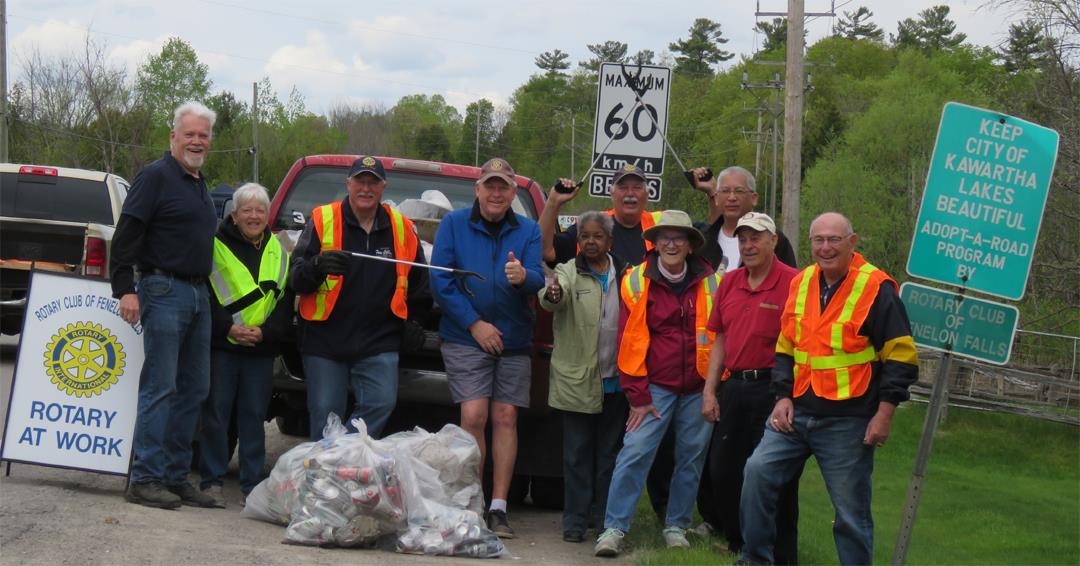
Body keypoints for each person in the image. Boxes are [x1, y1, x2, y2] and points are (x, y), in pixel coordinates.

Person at [740, 212, 919, 565]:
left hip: (848, 420)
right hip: (796, 414)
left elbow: (901, 357)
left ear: (852, 243)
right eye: (818, 240)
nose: (826, 247)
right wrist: (782, 396)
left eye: (834, 240)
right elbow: (786, 346)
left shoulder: (876, 288)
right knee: (756, 474)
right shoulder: (802, 281)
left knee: (850, 513)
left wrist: (884, 415)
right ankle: (754, 559)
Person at [543, 164, 717, 519]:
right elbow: (548, 251)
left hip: (661, 367)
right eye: (624, 186)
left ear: (647, 193)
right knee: (621, 448)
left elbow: (710, 237)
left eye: (638, 186)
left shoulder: (660, 226)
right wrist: (553, 203)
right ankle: (600, 518)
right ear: (613, 193)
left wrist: (711, 193)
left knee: (660, 450)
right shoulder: (594, 226)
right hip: (621, 364)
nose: (631, 192)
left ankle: (665, 516)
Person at [111, 102, 221, 509]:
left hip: (197, 293)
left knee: (195, 389)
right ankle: (145, 478)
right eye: (189, 133)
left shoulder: (197, 182)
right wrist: (126, 287)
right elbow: (127, 233)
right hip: (162, 288)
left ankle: (175, 477)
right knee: (161, 387)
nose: (196, 140)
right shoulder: (156, 177)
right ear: (172, 136)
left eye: (203, 135)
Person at [594, 210, 723, 557]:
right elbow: (627, 341)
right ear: (655, 241)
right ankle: (613, 528)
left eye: (678, 237)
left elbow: (721, 336)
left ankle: (676, 525)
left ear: (690, 245)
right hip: (654, 389)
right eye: (664, 236)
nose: (670, 242)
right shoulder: (635, 280)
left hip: (698, 388)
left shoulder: (712, 281)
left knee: (691, 458)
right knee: (634, 453)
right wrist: (637, 395)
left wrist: (712, 388)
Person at [430, 157, 544, 539]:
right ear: (477, 190)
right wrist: (475, 324)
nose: (496, 193)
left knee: (506, 417)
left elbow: (539, 279)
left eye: (504, 187)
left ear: (513, 193)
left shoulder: (528, 230)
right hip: (466, 336)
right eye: (490, 186)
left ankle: (498, 506)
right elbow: (441, 281)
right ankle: (472, 501)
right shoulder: (453, 224)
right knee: (474, 416)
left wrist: (524, 277)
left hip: (513, 339)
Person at [290, 156, 430, 440]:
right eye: (360, 181)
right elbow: (295, 280)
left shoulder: (402, 228)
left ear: (383, 187)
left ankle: (342, 456)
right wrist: (317, 266)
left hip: (379, 341)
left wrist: (414, 321)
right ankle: (324, 477)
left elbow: (419, 287)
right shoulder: (321, 219)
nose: (366, 189)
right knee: (325, 414)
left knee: (381, 402)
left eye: (373, 183)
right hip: (325, 340)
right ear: (348, 184)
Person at [699, 212, 799, 561]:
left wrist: (789, 394)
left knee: (776, 476)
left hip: (774, 388)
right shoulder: (730, 281)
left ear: (774, 241)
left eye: (756, 238)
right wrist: (710, 391)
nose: (748, 245)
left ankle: (783, 553)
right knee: (723, 470)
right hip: (735, 387)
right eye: (743, 239)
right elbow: (721, 339)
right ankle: (741, 541)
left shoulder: (795, 282)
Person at [196, 183, 293, 508]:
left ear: (268, 215)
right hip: (224, 346)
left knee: (253, 417)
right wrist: (230, 329)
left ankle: (253, 485)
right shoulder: (213, 246)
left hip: (261, 349)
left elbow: (285, 300)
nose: (254, 216)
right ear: (234, 215)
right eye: (247, 210)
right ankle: (211, 480)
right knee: (216, 415)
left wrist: (267, 333)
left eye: (260, 210)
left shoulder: (279, 250)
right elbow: (205, 296)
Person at [537, 211, 629, 544]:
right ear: (578, 242)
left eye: (597, 236)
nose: (591, 242)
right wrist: (554, 294)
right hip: (577, 381)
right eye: (585, 237)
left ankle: (603, 518)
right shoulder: (568, 271)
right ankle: (574, 522)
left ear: (610, 241)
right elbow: (550, 299)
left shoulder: (628, 275)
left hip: (616, 383)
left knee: (608, 456)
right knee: (576, 455)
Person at [692, 166, 796, 272]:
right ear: (717, 198)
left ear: (754, 198)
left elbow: (790, 281)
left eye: (739, 191)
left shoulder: (771, 238)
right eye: (725, 191)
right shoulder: (702, 239)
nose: (732, 197)